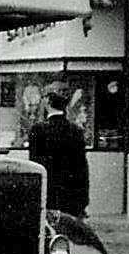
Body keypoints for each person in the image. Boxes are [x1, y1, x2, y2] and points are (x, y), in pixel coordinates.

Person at [27, 86, 90, 218]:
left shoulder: (38, 130)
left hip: (47, 194)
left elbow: (34, 166)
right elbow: (82, 168)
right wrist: (83, 201)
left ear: (48, 104)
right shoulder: (76, 131)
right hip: (71, 196)